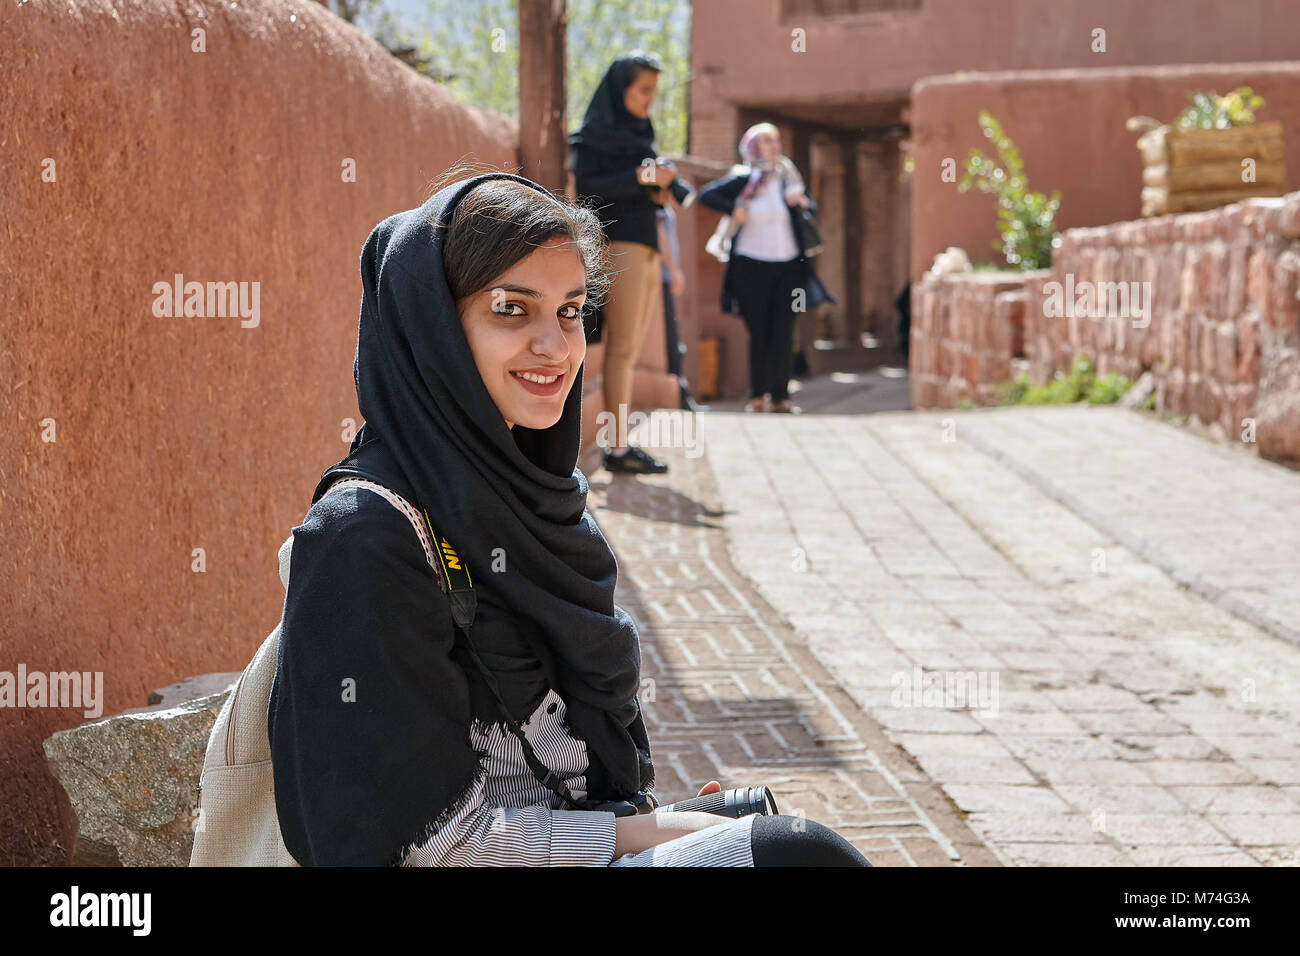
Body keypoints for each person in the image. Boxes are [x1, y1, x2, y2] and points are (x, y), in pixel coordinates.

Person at [266, 166, 870, 867]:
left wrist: (650, 819)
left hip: (558, 833)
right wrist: (647, 835)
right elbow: (418, 847)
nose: (555, 347)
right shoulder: (365, 538)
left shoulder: (530, 499)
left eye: (571, 310)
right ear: (432, 329)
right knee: (798, 856)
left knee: (756, 828)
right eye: (511, 310)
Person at [570, 51, 673, 474]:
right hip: (620, 245)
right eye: (643, 89)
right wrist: (641, 179)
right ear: (620, 89)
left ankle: (619, 445)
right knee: (623, 348)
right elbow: (589, 187)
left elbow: (636, 190)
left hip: (647, 246)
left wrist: (658, 190)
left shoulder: (641, 136)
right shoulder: (593, 136)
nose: (650, 99)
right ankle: (617, 449)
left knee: (628, 350)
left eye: (654, 91)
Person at [699, 123, 834, 413]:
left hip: (788, 266)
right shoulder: (744, 178)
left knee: (784, 330)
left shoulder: (788, 178)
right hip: (751, 266)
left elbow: (811, 210)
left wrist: (801, 202)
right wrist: (734, 209)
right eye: (767, 141)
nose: (774, 146)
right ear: (753, 147)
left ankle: (781, 398)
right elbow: (706, 195)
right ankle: (758, 396)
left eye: (776, 140)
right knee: (758, 331)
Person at [656, 200, 707, 412]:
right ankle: (679, 397)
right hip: (660, 278)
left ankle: (681, 396)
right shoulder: (656, 205)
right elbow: (659, 234)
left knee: (674, 339)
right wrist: (674, 269)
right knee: (671, 339)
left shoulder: (663, 205)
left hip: (664, 278)